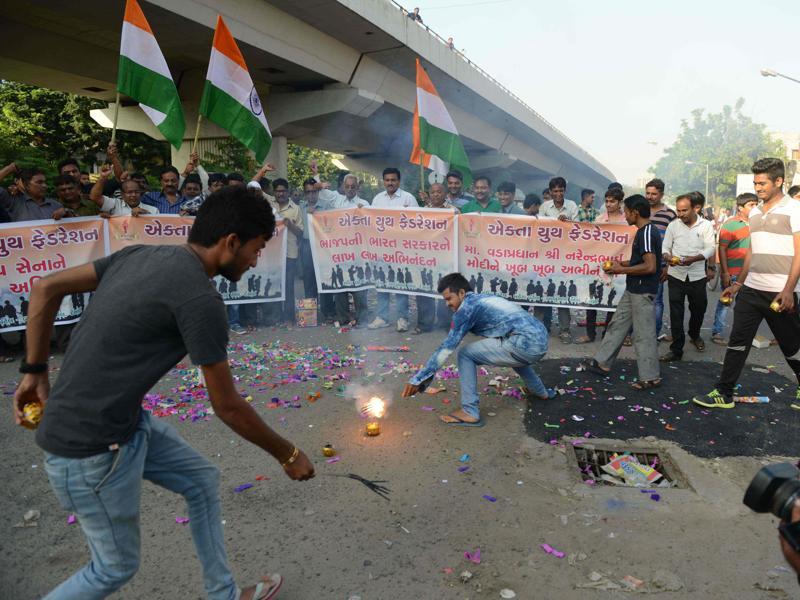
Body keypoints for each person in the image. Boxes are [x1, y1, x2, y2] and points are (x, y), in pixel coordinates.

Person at [14, 186, 313, 599]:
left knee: (201, 480)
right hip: (89, 450)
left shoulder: (140, 254)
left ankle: (222, 594)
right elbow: (227, 406)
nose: (256, 260)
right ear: (231, 242)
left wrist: (34, 372)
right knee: (112, 568)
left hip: (125, 425)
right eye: (257, 248)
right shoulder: (200, 300)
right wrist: (288, 454)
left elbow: (45, 287)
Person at [695, 158, 800, 409]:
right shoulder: (754, 212)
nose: (758, 188)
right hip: (751, 289)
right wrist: (738, 284)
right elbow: (751, 251)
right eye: (755, 183)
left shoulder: (795, 209)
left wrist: (788, 290)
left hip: (779, 292)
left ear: (778, 181)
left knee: (791, 346)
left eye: (762, 183)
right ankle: (724, 392)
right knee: (738, 341)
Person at [401, 273, 551, 426]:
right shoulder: (481, 298)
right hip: (540, 340)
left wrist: (418, 378)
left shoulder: (466, 309)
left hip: (526, 345)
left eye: (449, 298)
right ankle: (540, 391)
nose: (447, 304)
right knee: (508, 351)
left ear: (461, 293)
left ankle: (470, 411)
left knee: (465, 354)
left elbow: (446, 348)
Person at [582, 195, 661, 388]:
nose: (624, 216)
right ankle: (602, 363)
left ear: (635, 212)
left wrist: (621, 269)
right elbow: (639, 261)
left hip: (643, 291)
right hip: (634, 289)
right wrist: (621, 264)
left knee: (644, 335)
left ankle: (650, 377)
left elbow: (650, 266)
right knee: (617, 325)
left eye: (626, 212)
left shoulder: (646, 233)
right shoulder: (643, 231)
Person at [660, 194, 715, 361]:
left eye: (684, 210)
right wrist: (667, 256)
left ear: (695, 209)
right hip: (676, 275)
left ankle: (694, 334)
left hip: (697, 275)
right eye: (678, 210)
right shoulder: (673, 225)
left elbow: (711, 248)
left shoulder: (705, 225)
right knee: (676, 313)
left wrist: (695, 259)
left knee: (699, 308)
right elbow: (665, 246)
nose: (681, 214)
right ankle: (676, 349)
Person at [368, 168, 418, 332]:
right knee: (382, 283)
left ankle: (402, 318)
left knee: (401, 284)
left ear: (399, 181)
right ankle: (382, 317)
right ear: (383, 181)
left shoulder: (408, 198)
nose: (390, 183)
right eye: (387, 180)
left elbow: (418, 221)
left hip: (402, 250)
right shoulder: (377, 199)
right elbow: (371, 222)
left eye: (393, 180)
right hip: (382, 248)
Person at [711, 193, 758, 345]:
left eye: (756, 204)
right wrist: (725, 272)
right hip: (733, 272)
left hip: (751, 273)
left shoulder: (758, 223)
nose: (755, 207)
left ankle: (741, 336)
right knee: (726, 302)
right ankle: (717, 332)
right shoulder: (730, 225)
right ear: (740, 208)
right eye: (751, 205)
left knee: (746, 307)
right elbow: (722, 249)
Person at [416, 183, 454, 333]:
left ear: (445, 194)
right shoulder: (422, 212)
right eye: (433, 192)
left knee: (446, 289)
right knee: (425, 287)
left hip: (446, 257)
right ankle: (425, 324)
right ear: (429, 194)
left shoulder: (454, 211)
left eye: (439, 192)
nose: (436, 195)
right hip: (427, 257)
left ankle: (445, 323)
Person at [645, 178, 677, 341]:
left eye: (654, 194)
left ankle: (654, 334)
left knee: (656, 301)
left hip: (659, 264)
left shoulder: (670, 214)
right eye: (647, 193)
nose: (650, 197)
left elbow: (675, 241)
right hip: (638, 264)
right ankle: (629, 334)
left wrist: (668, 267)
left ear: (661, 195)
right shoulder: (640, 210)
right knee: (634, 299)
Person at [272, 178, 304, 324]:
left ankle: (289, 317)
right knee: (273, 285)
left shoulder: (295, 209)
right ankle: (275, 318)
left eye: (283, 191)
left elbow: (300, 233)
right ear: (274, 192)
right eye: (278, 191)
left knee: (288, 286)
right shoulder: (269, 206)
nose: (281, 194)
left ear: (288, 192)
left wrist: (290, 225)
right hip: (272, 255)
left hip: (290, 253)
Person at [90, 165, 158, 216]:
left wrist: (147, 215)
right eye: (129, 192)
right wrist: (103, 177)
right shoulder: (114, 205)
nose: (133, 195)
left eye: (137, 192)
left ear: (141, 193)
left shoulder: (153, 210)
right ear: (122, 194)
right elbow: (94, 197)